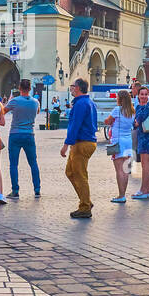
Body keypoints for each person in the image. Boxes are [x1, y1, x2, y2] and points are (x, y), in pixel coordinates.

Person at [61, 78, 98, 219]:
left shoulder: (80, 104)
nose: (71, 89)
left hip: (81, 143)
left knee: (80, 175)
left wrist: (66, 145)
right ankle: (86, 200)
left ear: (77, 88)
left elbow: (74, 126)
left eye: (72, 86)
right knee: (70, 172)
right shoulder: (89, 102)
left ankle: (85, 207)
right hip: (86, 142)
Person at [4, 79, 40, 198]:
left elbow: (3, 112)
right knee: (33, 163)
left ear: (19, 88)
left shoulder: (14, 101)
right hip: (29, 134)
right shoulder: (35, 102)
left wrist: (9, 102)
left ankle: (15, 190)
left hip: (15, 134)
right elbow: (38, 111)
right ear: (30, 88)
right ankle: (37, 189)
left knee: (14, 164)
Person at [105, 89, 135, 203]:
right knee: (125, 170)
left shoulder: (117, 110)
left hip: (117, 141)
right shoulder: (132, 111)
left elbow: (107, 121)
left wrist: (109, 121)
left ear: (120, 99)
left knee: (119, 170)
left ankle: (121, 195)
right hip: (128, 141)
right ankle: (123, 194)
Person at [131, 86, 149, 200]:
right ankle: (146, 189)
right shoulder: (137, 106)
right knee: (143, 164)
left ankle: (145, 190)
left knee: (145, 164)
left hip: (147, 136)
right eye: (142, 94)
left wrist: (136, 122)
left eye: (146, 94)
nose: (144, 96)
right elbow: (135, 121)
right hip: (141, 136)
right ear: (138, 95)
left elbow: (139, 118)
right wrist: (136, 122)